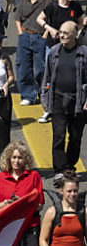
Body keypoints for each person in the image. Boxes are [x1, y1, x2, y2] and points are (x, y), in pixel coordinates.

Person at [42, 20, 87, 176]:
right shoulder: (54, 51)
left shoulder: (84, 52)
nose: (61, 35)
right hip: (58, 100)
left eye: (66, 33)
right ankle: (60, 169)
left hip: (78, 101)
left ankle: (69, 164)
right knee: (59, 135)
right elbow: (46, 77)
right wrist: (45, 98)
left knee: (75, 136)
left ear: (75, 34)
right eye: (60, 32)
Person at [15, 0, 52, 105]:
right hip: (25, 35)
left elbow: (51, 19)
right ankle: (28, 95)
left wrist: (45, 35)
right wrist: (20, 32)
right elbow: (17, 17)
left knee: (41, 68)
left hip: (40, 36)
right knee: (24, 67)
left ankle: (43, 92)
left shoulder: (47, 0)